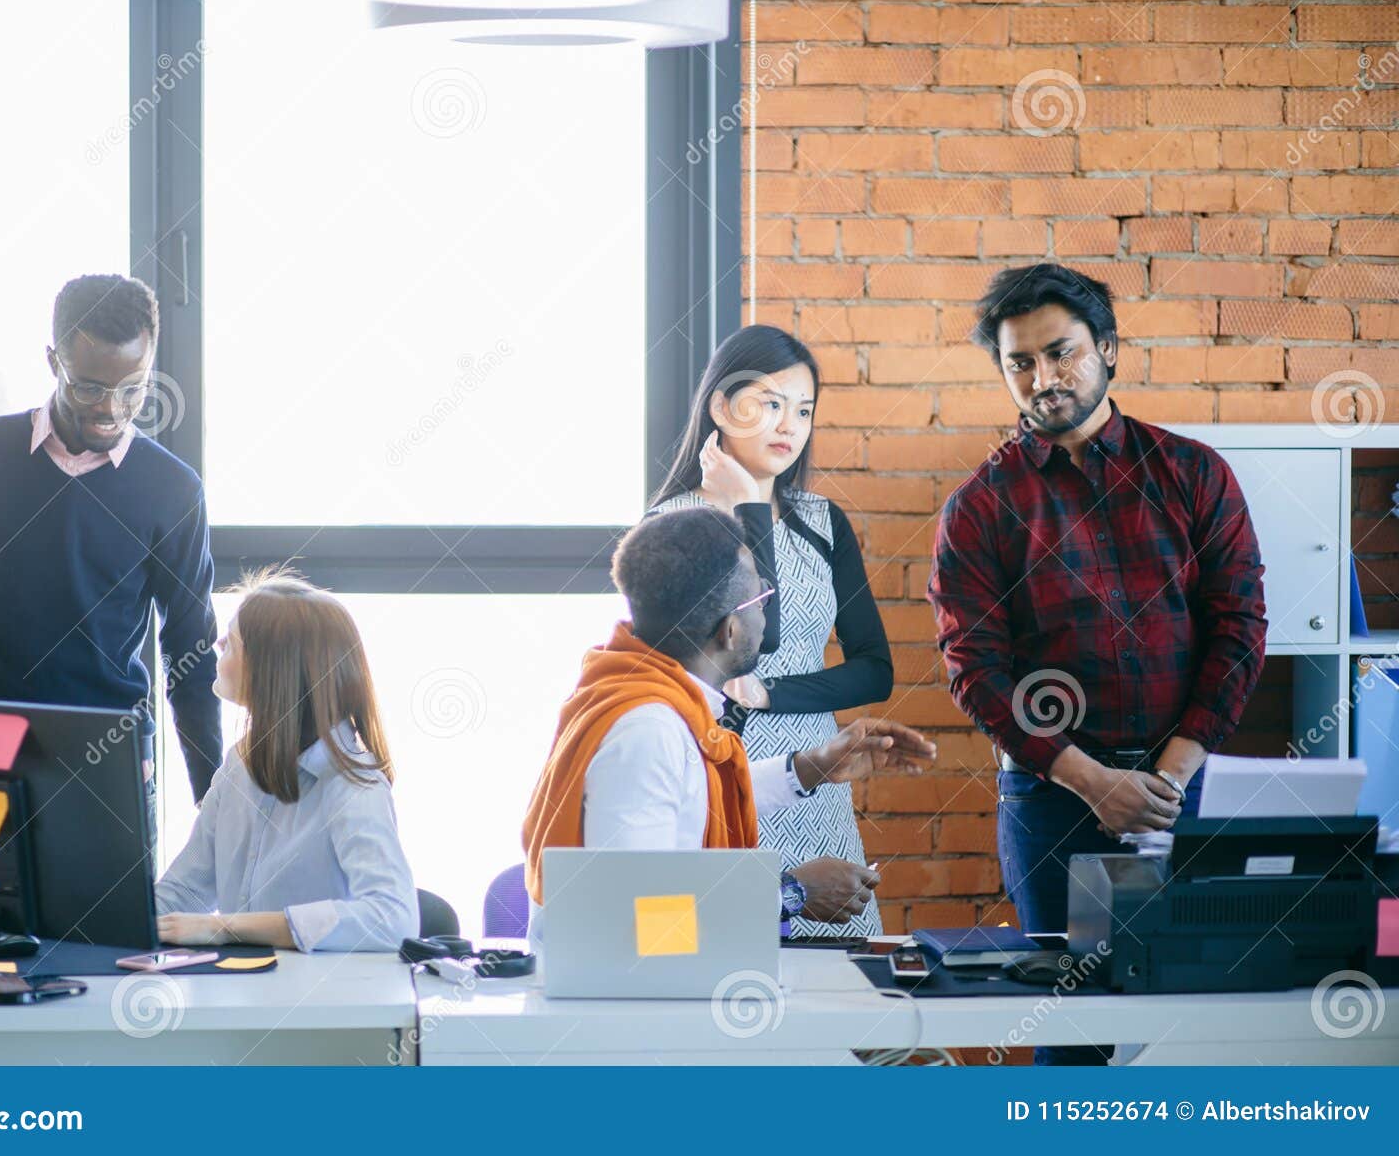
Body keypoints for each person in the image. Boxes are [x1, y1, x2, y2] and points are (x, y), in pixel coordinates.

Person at [927, 263, 1267, 1064]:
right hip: (1051, 801)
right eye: (1020, 363)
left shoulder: (1192, 472)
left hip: (1182, 787)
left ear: (1108, 349)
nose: (1043, 379)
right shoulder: (981, 506)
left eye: (1061, 352)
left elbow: (1240, 629)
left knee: (1199, 1023)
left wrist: (1169, 779)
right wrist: (1091, 781)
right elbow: (977, 671)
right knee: (1068, 1028)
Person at [523, 507, 935, 946]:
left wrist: (813, 766)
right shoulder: (648, 731)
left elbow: (690, 794)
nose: (766, 611)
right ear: (731, 630)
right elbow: (637, 914)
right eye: (762, 599)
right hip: (626, 1001)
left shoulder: (646, 693)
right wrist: (791, 893)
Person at [0, 274, 222, 829]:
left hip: (112, 755)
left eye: (133, 387)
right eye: (89, 387)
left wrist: (216, 806)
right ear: (54, 363)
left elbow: (190, 652)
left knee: (113, 917)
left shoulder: (173, 489)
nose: (111, 408)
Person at [649, 325, 895, 938]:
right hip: (718, 775)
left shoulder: (821, 520)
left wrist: (773, 696)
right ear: (721, 407)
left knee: (836, 1000)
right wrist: (750, 511)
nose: (790, 425)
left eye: (804, 410)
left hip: (816, 780)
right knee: (725, 953)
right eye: (770, 403)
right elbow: (764, 638)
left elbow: (874, 670)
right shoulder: (670, 526)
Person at [156, 571, 419, 952]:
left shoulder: (352, 784)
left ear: (272, 670)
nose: (218, 643)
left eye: (234, 642)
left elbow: (393, 917)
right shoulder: (239, 766)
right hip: (243, 994)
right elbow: (184, 892)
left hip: (317, 1003)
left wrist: (228, 928)